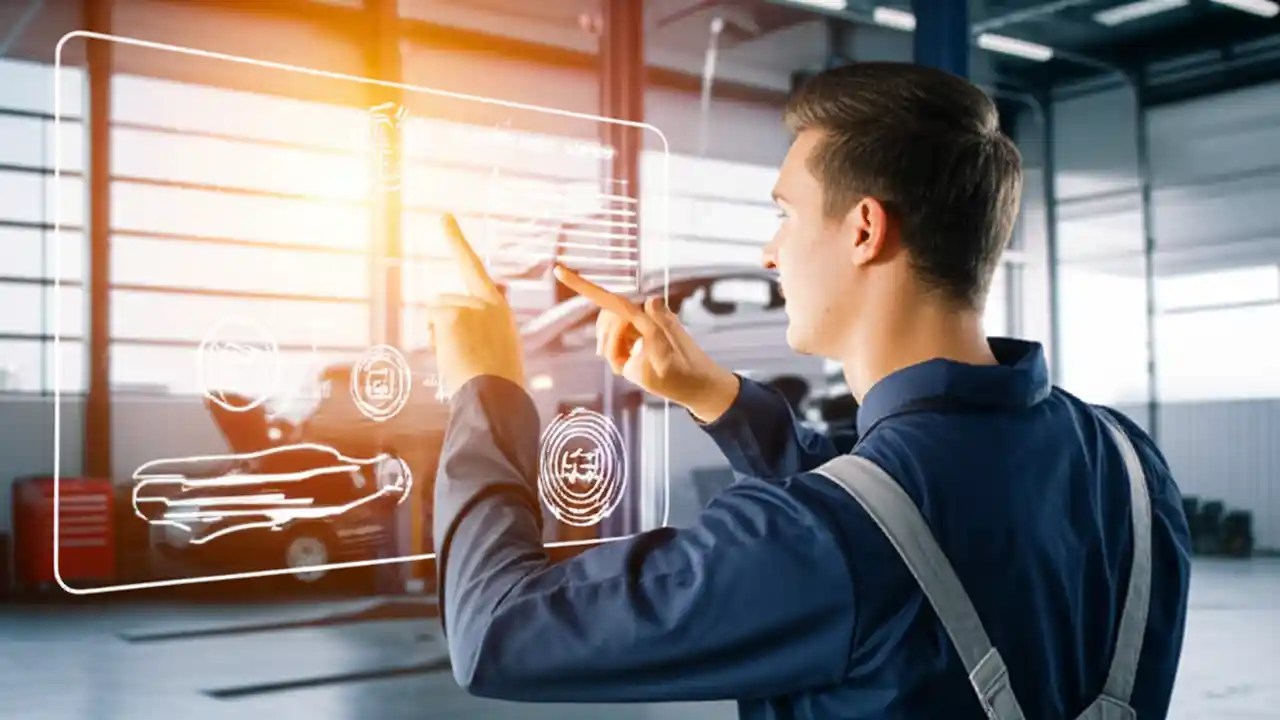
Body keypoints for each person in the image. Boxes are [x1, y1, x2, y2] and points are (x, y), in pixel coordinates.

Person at [423, 62, 1191, 719]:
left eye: (784, 214)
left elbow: (496, 629)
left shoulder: (822, 543)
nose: (769, 252)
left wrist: (484, 387)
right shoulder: (1130, 466)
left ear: (864, 230)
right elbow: (895, 517)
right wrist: (718, 397)